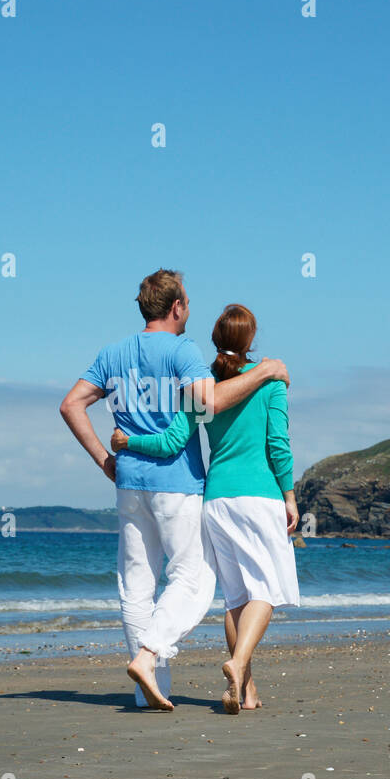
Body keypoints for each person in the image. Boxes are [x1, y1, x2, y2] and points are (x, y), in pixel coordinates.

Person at [59, 272, 290, 710]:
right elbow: (211, 403)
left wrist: (105, 461)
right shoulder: (183, 352)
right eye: (188, 302)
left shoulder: (112, 353)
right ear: (177, 307)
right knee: (195, 579)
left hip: (128, 483)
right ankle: (149, 658)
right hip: (177, 485)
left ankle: (151, 689)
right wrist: (266, 370)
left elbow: (71, 404)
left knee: (136, 586)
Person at [111, 303, 298, 714]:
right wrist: (289, 495)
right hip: (259, 496)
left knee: (235, 598)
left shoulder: (203, 387)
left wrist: (128, 443)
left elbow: (171, 440)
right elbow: (278, 446)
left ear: (216, 340)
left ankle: (246, 692)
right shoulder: (271, 382)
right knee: (267, 589)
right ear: (250, 340)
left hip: (215, 500)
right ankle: (237, 662)